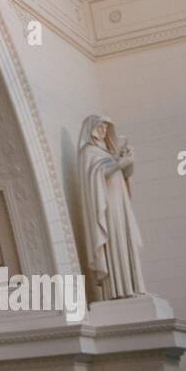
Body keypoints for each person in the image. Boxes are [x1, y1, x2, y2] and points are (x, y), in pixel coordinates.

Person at [77, 114, 147, 301]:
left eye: (106, 127)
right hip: (107, 208)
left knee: (126, 242)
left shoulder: (108, 152)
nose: (104, 130)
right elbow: (96, 177)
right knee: (115, 242)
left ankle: (132, 286)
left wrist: (128, 162)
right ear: (91, 128)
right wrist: (118, 164)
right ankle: (118, 290)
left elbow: (125, 175)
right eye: (100, 127)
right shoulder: (88, 152)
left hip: (120, 204)